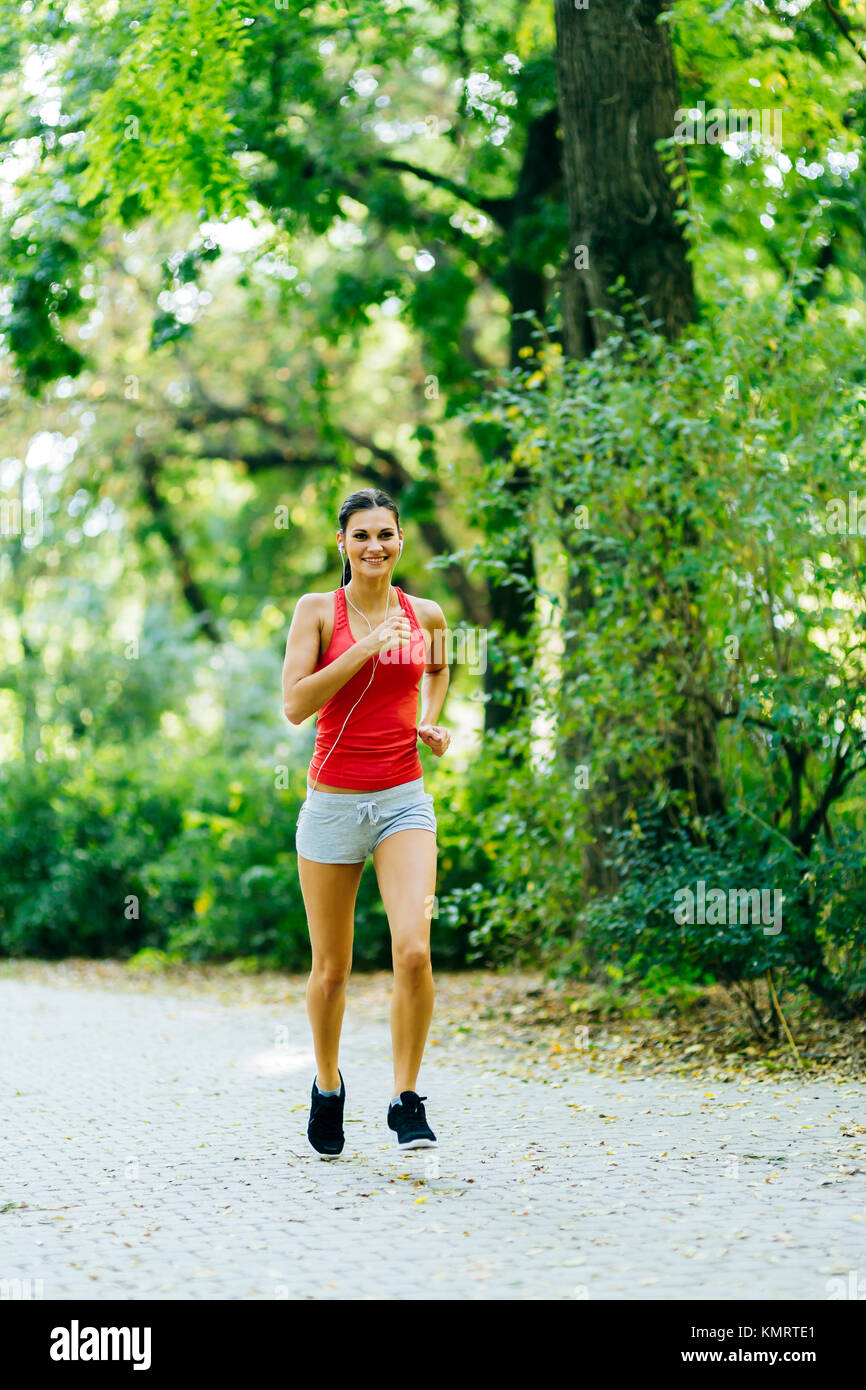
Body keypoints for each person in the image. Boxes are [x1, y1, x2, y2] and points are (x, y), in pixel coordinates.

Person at [281, 488, 451, 1158]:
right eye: (361, 536)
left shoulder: (428, 613)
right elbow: (295, 704)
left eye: (386, 534)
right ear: (342, 544)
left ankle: (405, 1099)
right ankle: (328, 1086)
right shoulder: (317, 611)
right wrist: (365, 648)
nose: (375, 546)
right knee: (332, 970)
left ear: (401, 541)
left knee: (414, 949)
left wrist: (429, 719)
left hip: (403, 799)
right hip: (331, 803)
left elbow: (437, 669)